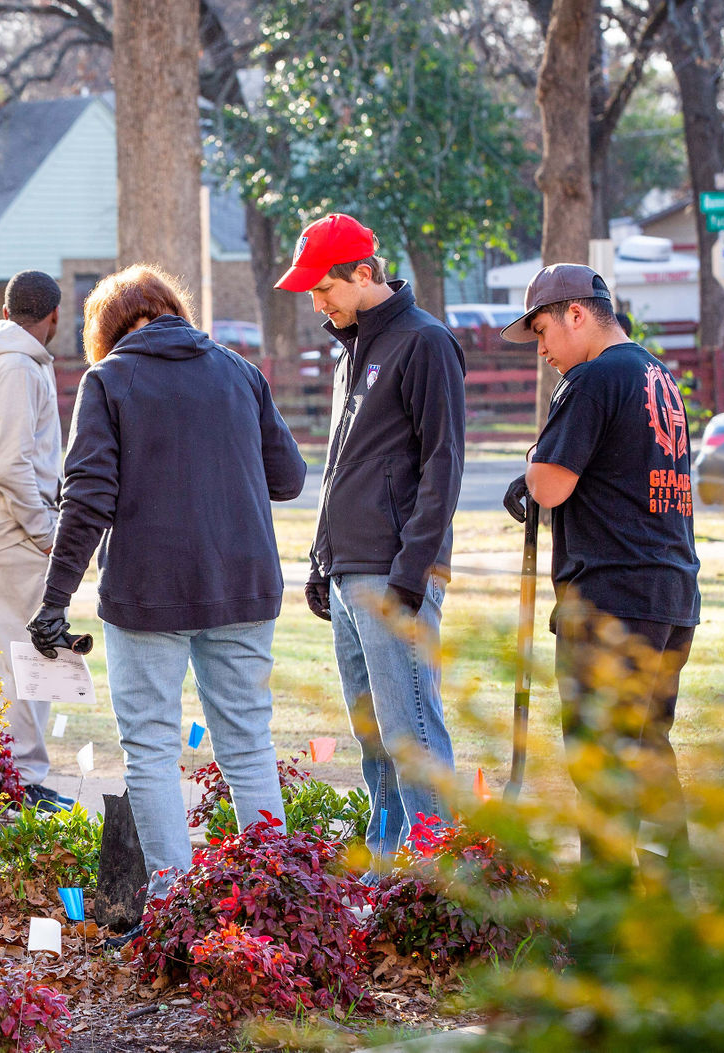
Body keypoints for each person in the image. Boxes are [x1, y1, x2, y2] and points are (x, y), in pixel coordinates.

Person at [29, 265, 307, 894]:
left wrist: (54, 599)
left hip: (146, 590)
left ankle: (170, 904)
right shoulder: (240, 372)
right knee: (248, 744)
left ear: (106, 329)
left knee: (151, 750)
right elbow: (289, 478)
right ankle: (277, 898)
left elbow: (87, 498)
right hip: (242, 582)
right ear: (173, 309)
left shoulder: (108, 379)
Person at [276, 213, 465, 862]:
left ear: (363, 274)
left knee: (410, 729)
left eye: (324, 288)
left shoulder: (425, 342)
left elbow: (444, 463)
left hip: (394, 573)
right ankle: (385, 875)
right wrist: (319, 559)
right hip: (347, 569)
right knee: (374, 738)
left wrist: (412, 570)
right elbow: (339, 465)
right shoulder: (350, 352)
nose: (316, 304)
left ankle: (438, 882)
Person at [500, 264, 700, 862]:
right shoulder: (655, 373)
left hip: (611, 598)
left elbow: (549, 485)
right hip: (670, 593)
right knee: (648, 754)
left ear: (576, 314)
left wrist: (532, 467)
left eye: (542, 332)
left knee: (603, 766)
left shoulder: (591, 379)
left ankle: (605, 911)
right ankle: (668, 897)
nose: (541, 351)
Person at [0, 270, 69, 813]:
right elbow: (10, 464)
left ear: (6, 313)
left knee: (30, 655)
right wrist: (44, 531)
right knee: (27, 656)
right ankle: (20, 781)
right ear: (54, 316)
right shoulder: (16, 366)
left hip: (6, 529)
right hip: (15, 533)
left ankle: (22, 776)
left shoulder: (8, 361)